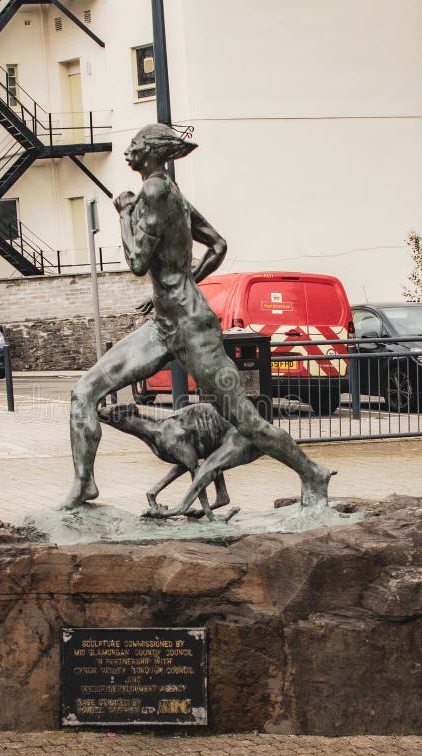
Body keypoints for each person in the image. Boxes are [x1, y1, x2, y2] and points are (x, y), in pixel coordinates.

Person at [63, 123, 333, 513]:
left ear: (153, 151)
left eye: (136, 144)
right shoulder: (172, 195)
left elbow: (138, 261)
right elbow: (218, 245)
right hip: (164, 325)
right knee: (84, 392)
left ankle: (312, 472)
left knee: (244, 419)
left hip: (191, 328)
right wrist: (185, 282)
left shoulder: (156, 191)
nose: (128, 150)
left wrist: (124, 214)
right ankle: (84, 485)